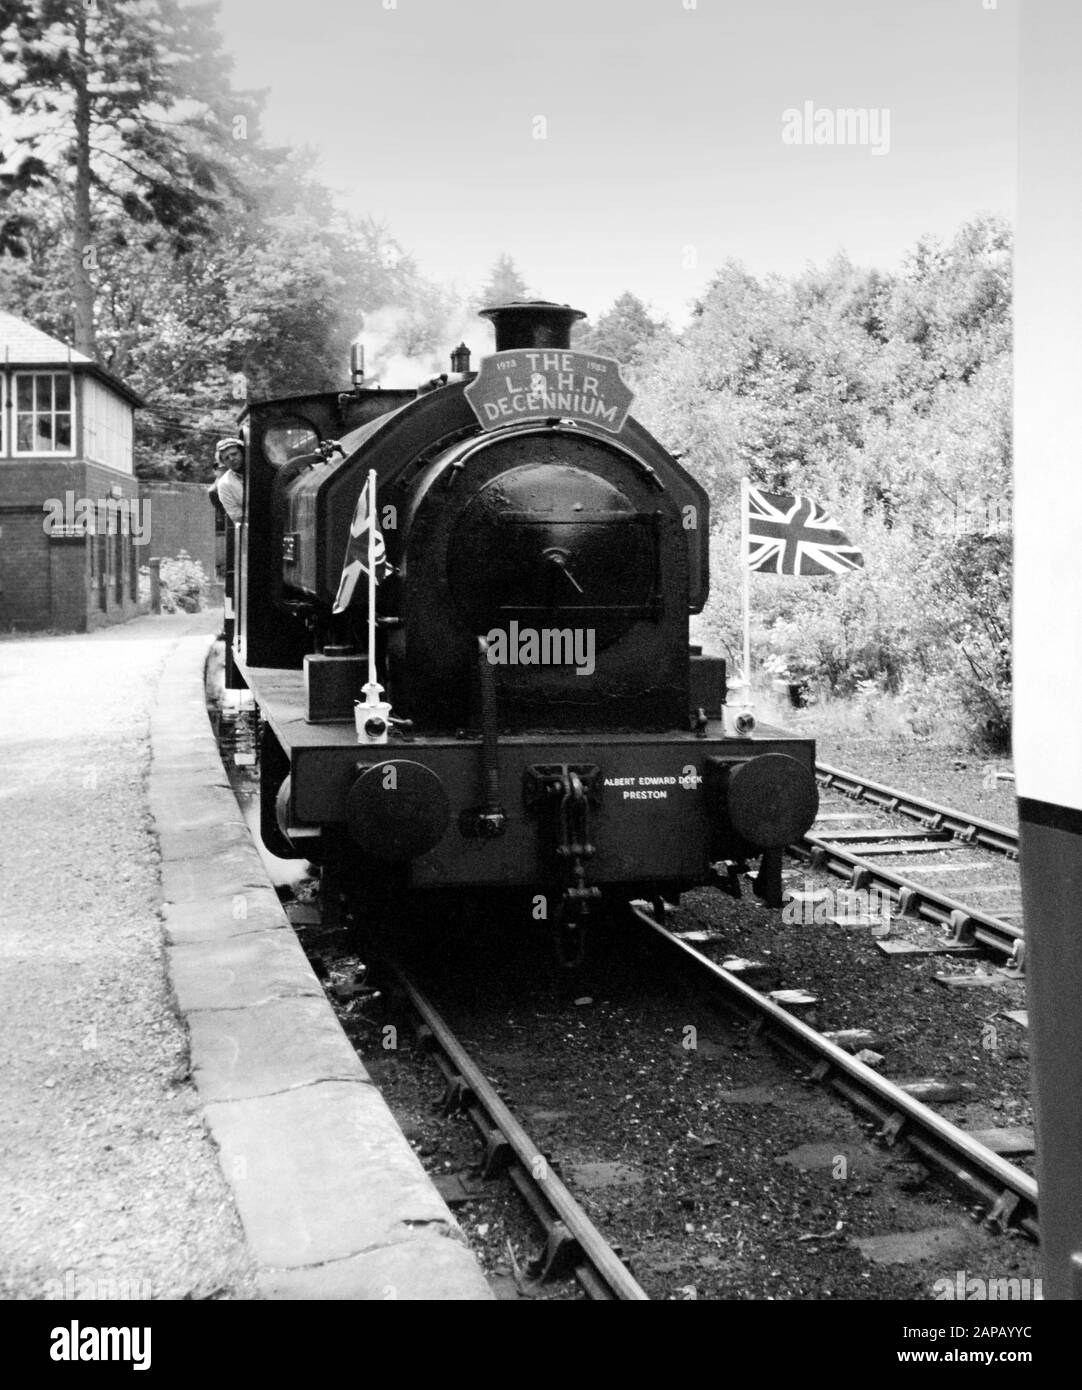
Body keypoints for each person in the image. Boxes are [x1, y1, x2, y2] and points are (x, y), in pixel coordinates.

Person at [213, 437, 245, 524]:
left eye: (234, 454)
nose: (231, 459)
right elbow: (237, 516)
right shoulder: (224, 484)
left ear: (243, 453)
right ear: (223, 463)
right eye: (226, 458)